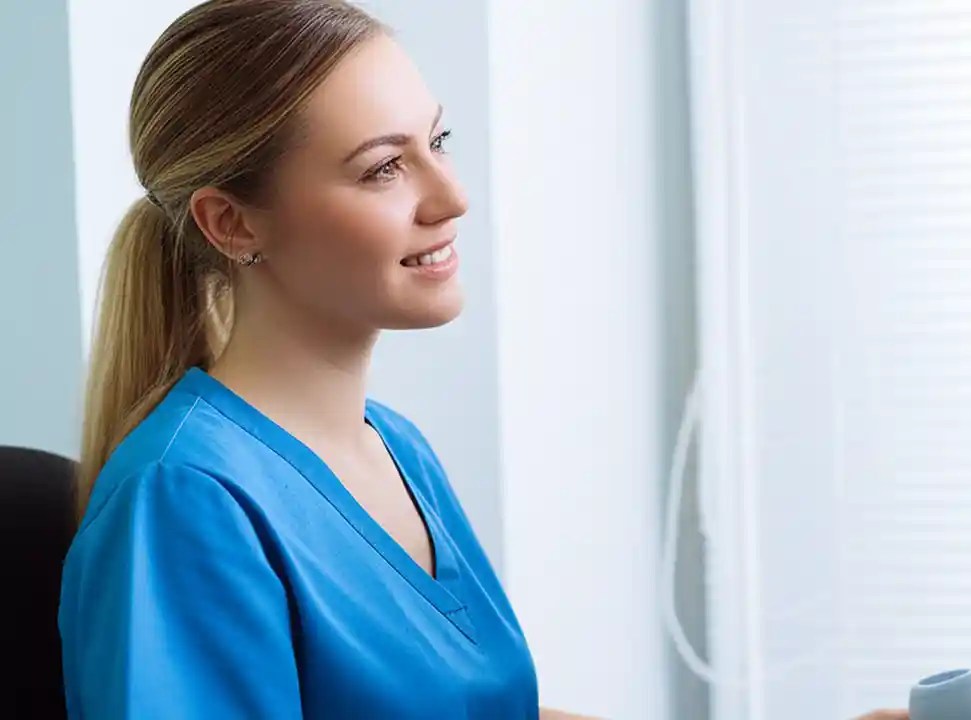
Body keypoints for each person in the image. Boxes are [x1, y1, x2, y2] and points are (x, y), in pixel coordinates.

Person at [57, 1, 908, 719]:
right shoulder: (185, 501)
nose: (452, 195)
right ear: (233, 223)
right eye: (384, 169)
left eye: (439, 140)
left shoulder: (395, 447)